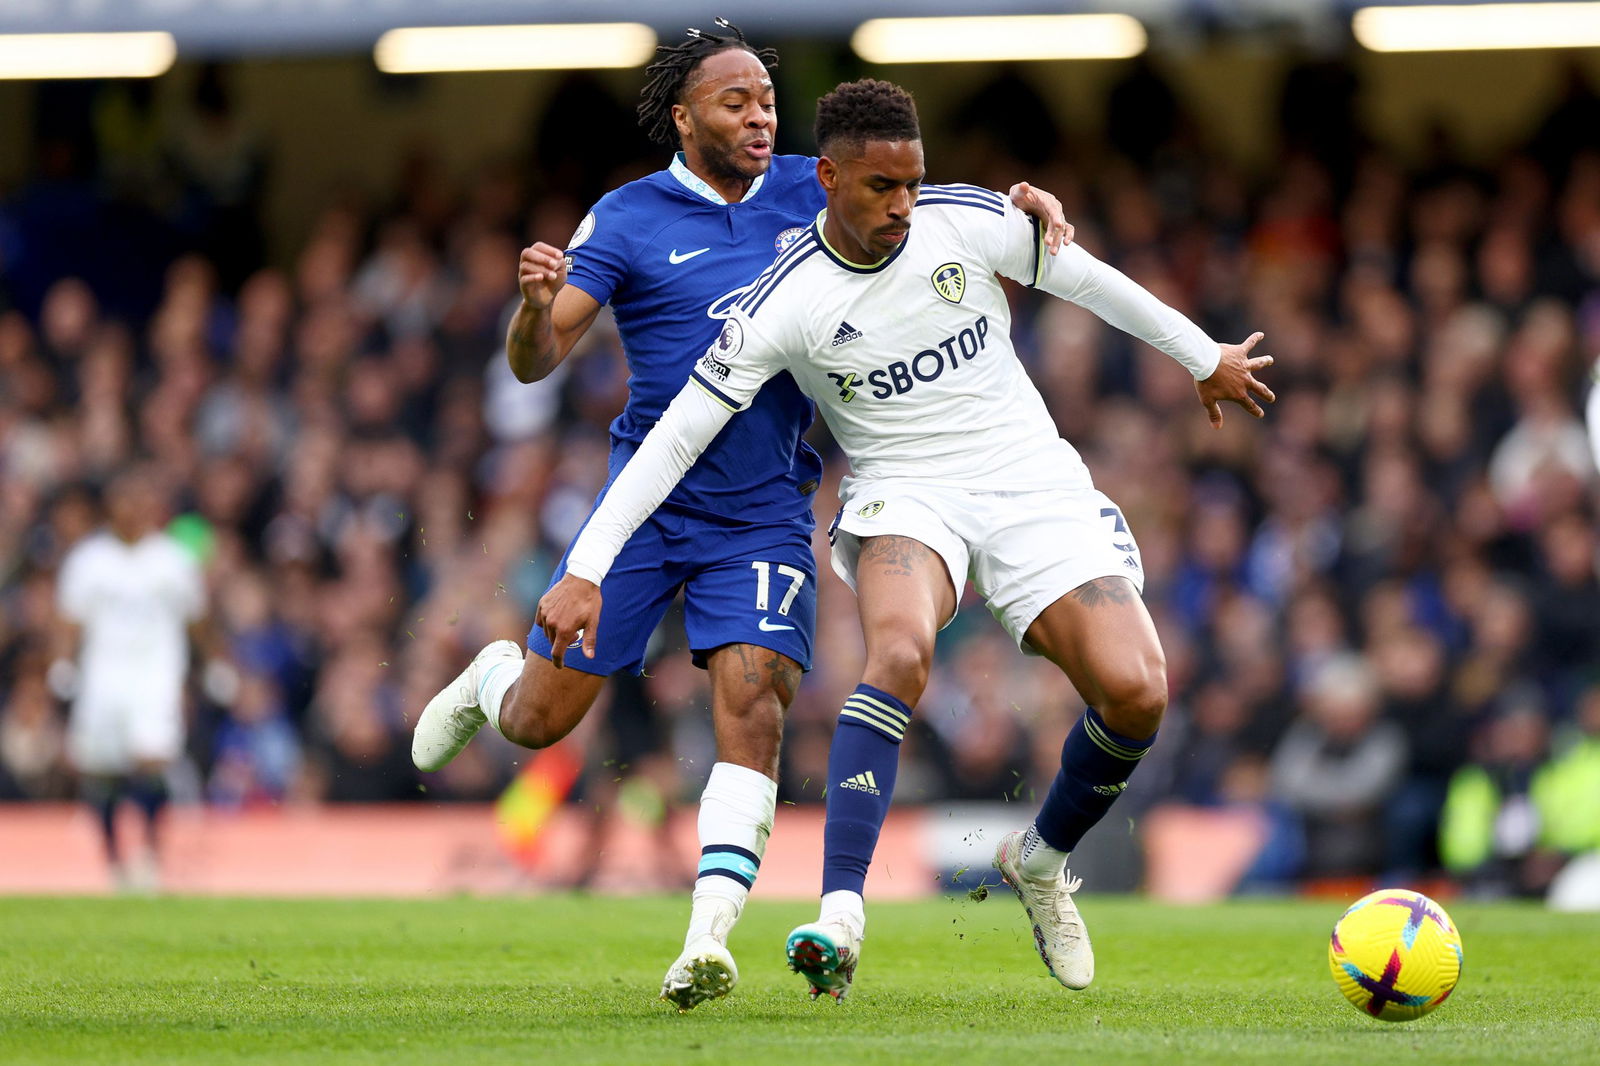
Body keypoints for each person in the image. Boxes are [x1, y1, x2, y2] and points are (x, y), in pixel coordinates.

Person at [534, 78, 1274, 1000]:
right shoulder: (783, 301)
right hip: (902, 493)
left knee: (1137, 695)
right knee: (898, 651)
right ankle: (841, 913)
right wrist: (590, 568)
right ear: (830, 178)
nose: (902, 206)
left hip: (1029, 480)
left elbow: (1085, 279)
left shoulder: (966, 221)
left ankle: (1039, 862)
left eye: (913, 183)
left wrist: (1206, 357)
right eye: (881, 189)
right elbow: (673, 438)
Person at [410, 23, 1070, 1011]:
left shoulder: (818, 184)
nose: (759, 116)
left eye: (766, 100)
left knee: (754, 702)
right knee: (542, 724)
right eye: (735, 102)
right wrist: (529, 310)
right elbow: (538, 357)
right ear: (684, 118)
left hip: (763, 511)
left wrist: (1021, 207)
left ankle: (706, 939)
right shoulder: (625, 219)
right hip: (647, 500)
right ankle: (494, 676)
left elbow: (921, 209)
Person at [52, 465, 208, 891]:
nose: (133, 508)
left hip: (155, 674)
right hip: (102, 676)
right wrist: (62, 665)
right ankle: (114, 859)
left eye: (141, 499)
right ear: (110, 506)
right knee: (102, 770)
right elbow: (69, 620)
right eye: (125, 499)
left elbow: (198, 620)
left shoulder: (174, 560)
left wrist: (213, 665)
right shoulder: (88, 560)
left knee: (152, 759)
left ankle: (153, 852)